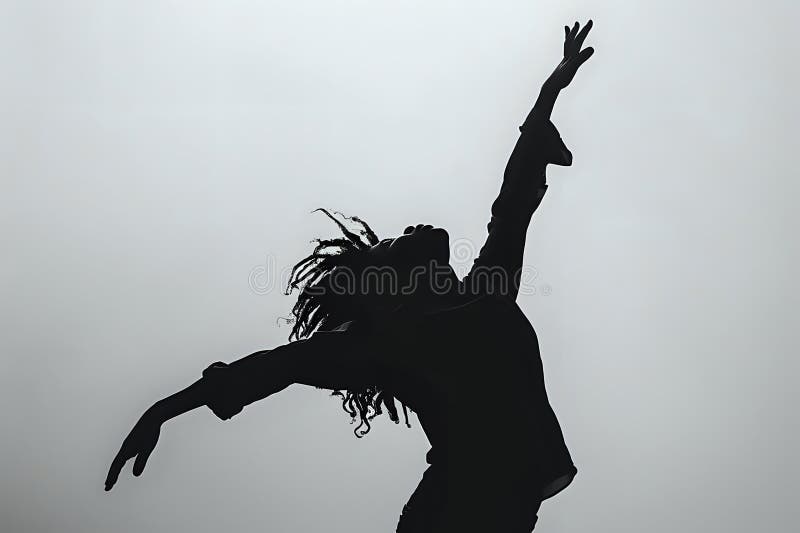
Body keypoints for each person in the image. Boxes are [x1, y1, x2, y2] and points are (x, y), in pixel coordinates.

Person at [105, 20, 595, 532]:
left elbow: (512, 202)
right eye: (392, 239)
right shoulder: (389, 338)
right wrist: (164, 409)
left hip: (505, 506)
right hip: (452, 510)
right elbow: (280, 365)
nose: (409, 226)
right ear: (388, 277)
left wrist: (548, 93)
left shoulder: (484, 292)